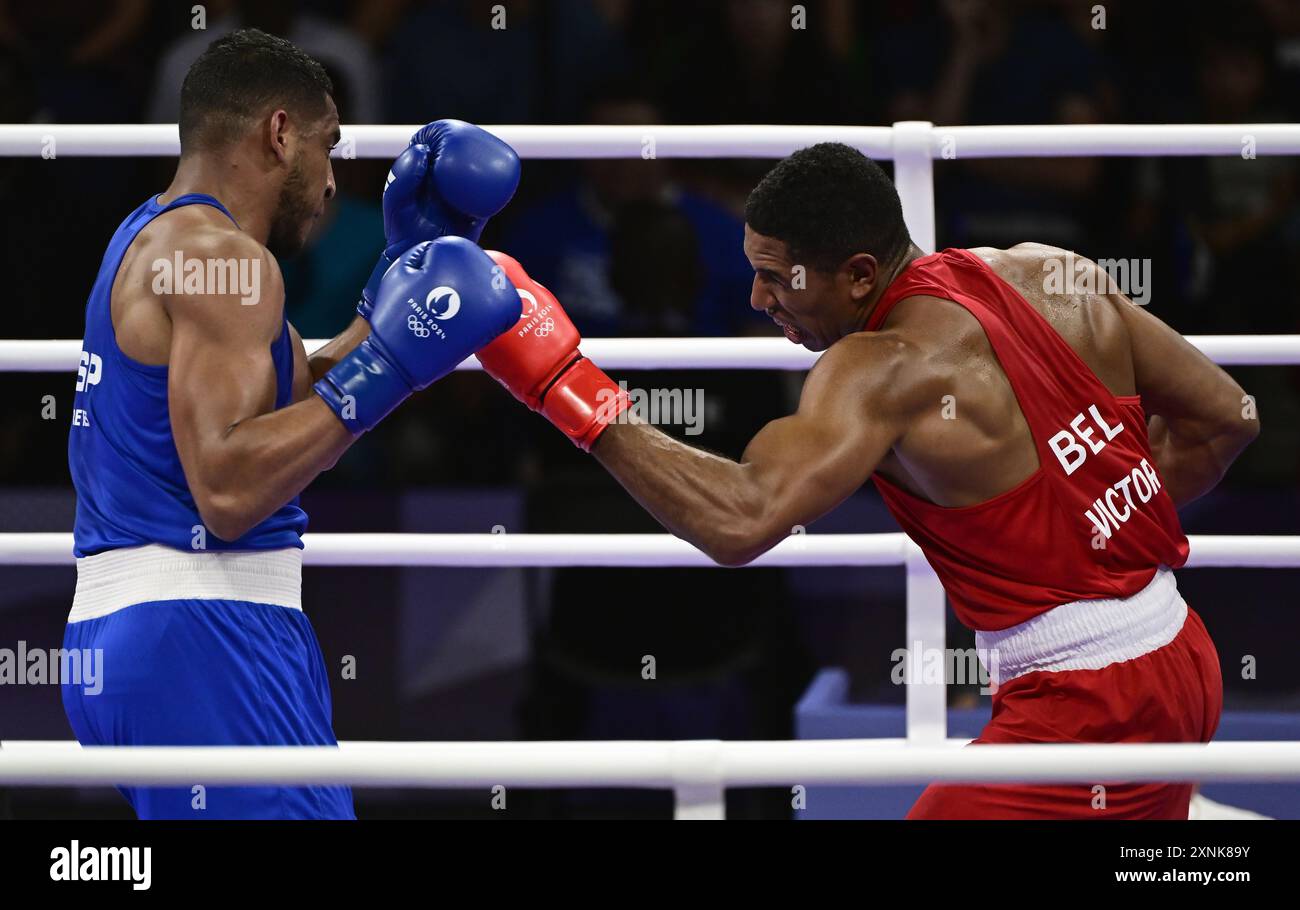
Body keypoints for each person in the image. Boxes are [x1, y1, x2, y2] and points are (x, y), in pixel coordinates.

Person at [475, 142, 1260, 819]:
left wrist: (568, 390)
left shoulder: (876, 370)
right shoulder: (1054, 274)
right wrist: (1096, 512)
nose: (759, 299)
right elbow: (1229, 416)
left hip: (1090, 706)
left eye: (780, 278)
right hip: (1184, 656)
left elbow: (742, 519)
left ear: (857, 275)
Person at [62, 28, 522, 819]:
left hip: (152, 631)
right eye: (328, 146)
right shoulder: (231, 263)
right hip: (204, 631)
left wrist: (394, 287)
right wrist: (391, 369)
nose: (333, 181)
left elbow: (271, 411)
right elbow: (233, 488)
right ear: (279, 133)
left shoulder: (155, 234)